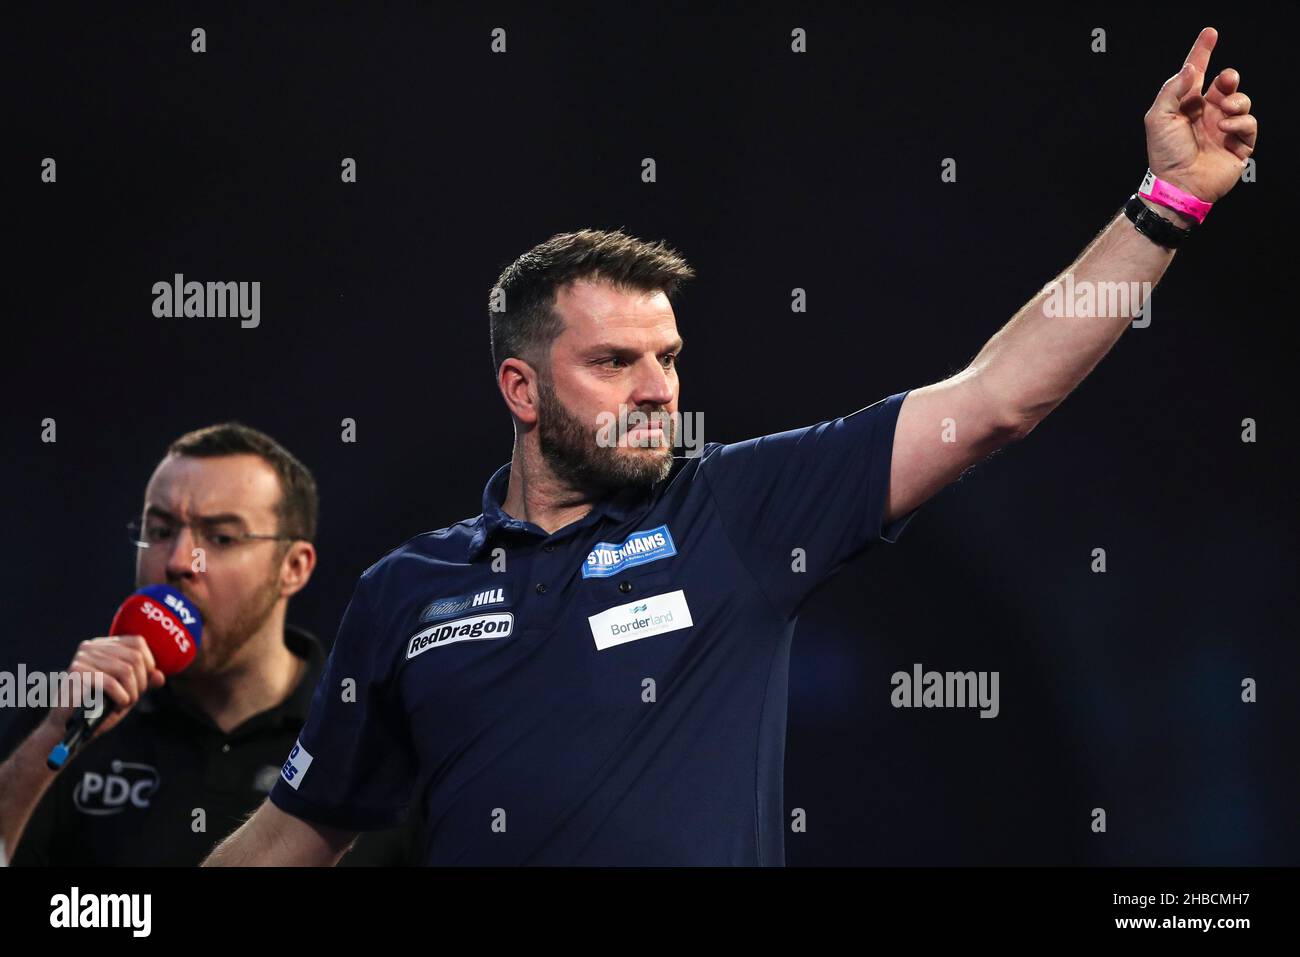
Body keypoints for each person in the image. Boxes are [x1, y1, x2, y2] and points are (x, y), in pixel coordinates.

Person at [205, 27, 1255, 865]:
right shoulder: (404, 590)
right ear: (519, 388)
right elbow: (301, 832)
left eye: (667, 357)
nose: (658, 388)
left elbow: (993, 402)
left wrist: (1164, 205)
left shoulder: (741, 511)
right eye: (615, 362)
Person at [0, 423, 412, 865]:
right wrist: (48, 740)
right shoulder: (75, 717)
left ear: (293, 567)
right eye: (160, 531)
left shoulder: (367, 737)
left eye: (220, 538)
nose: (179, 562)